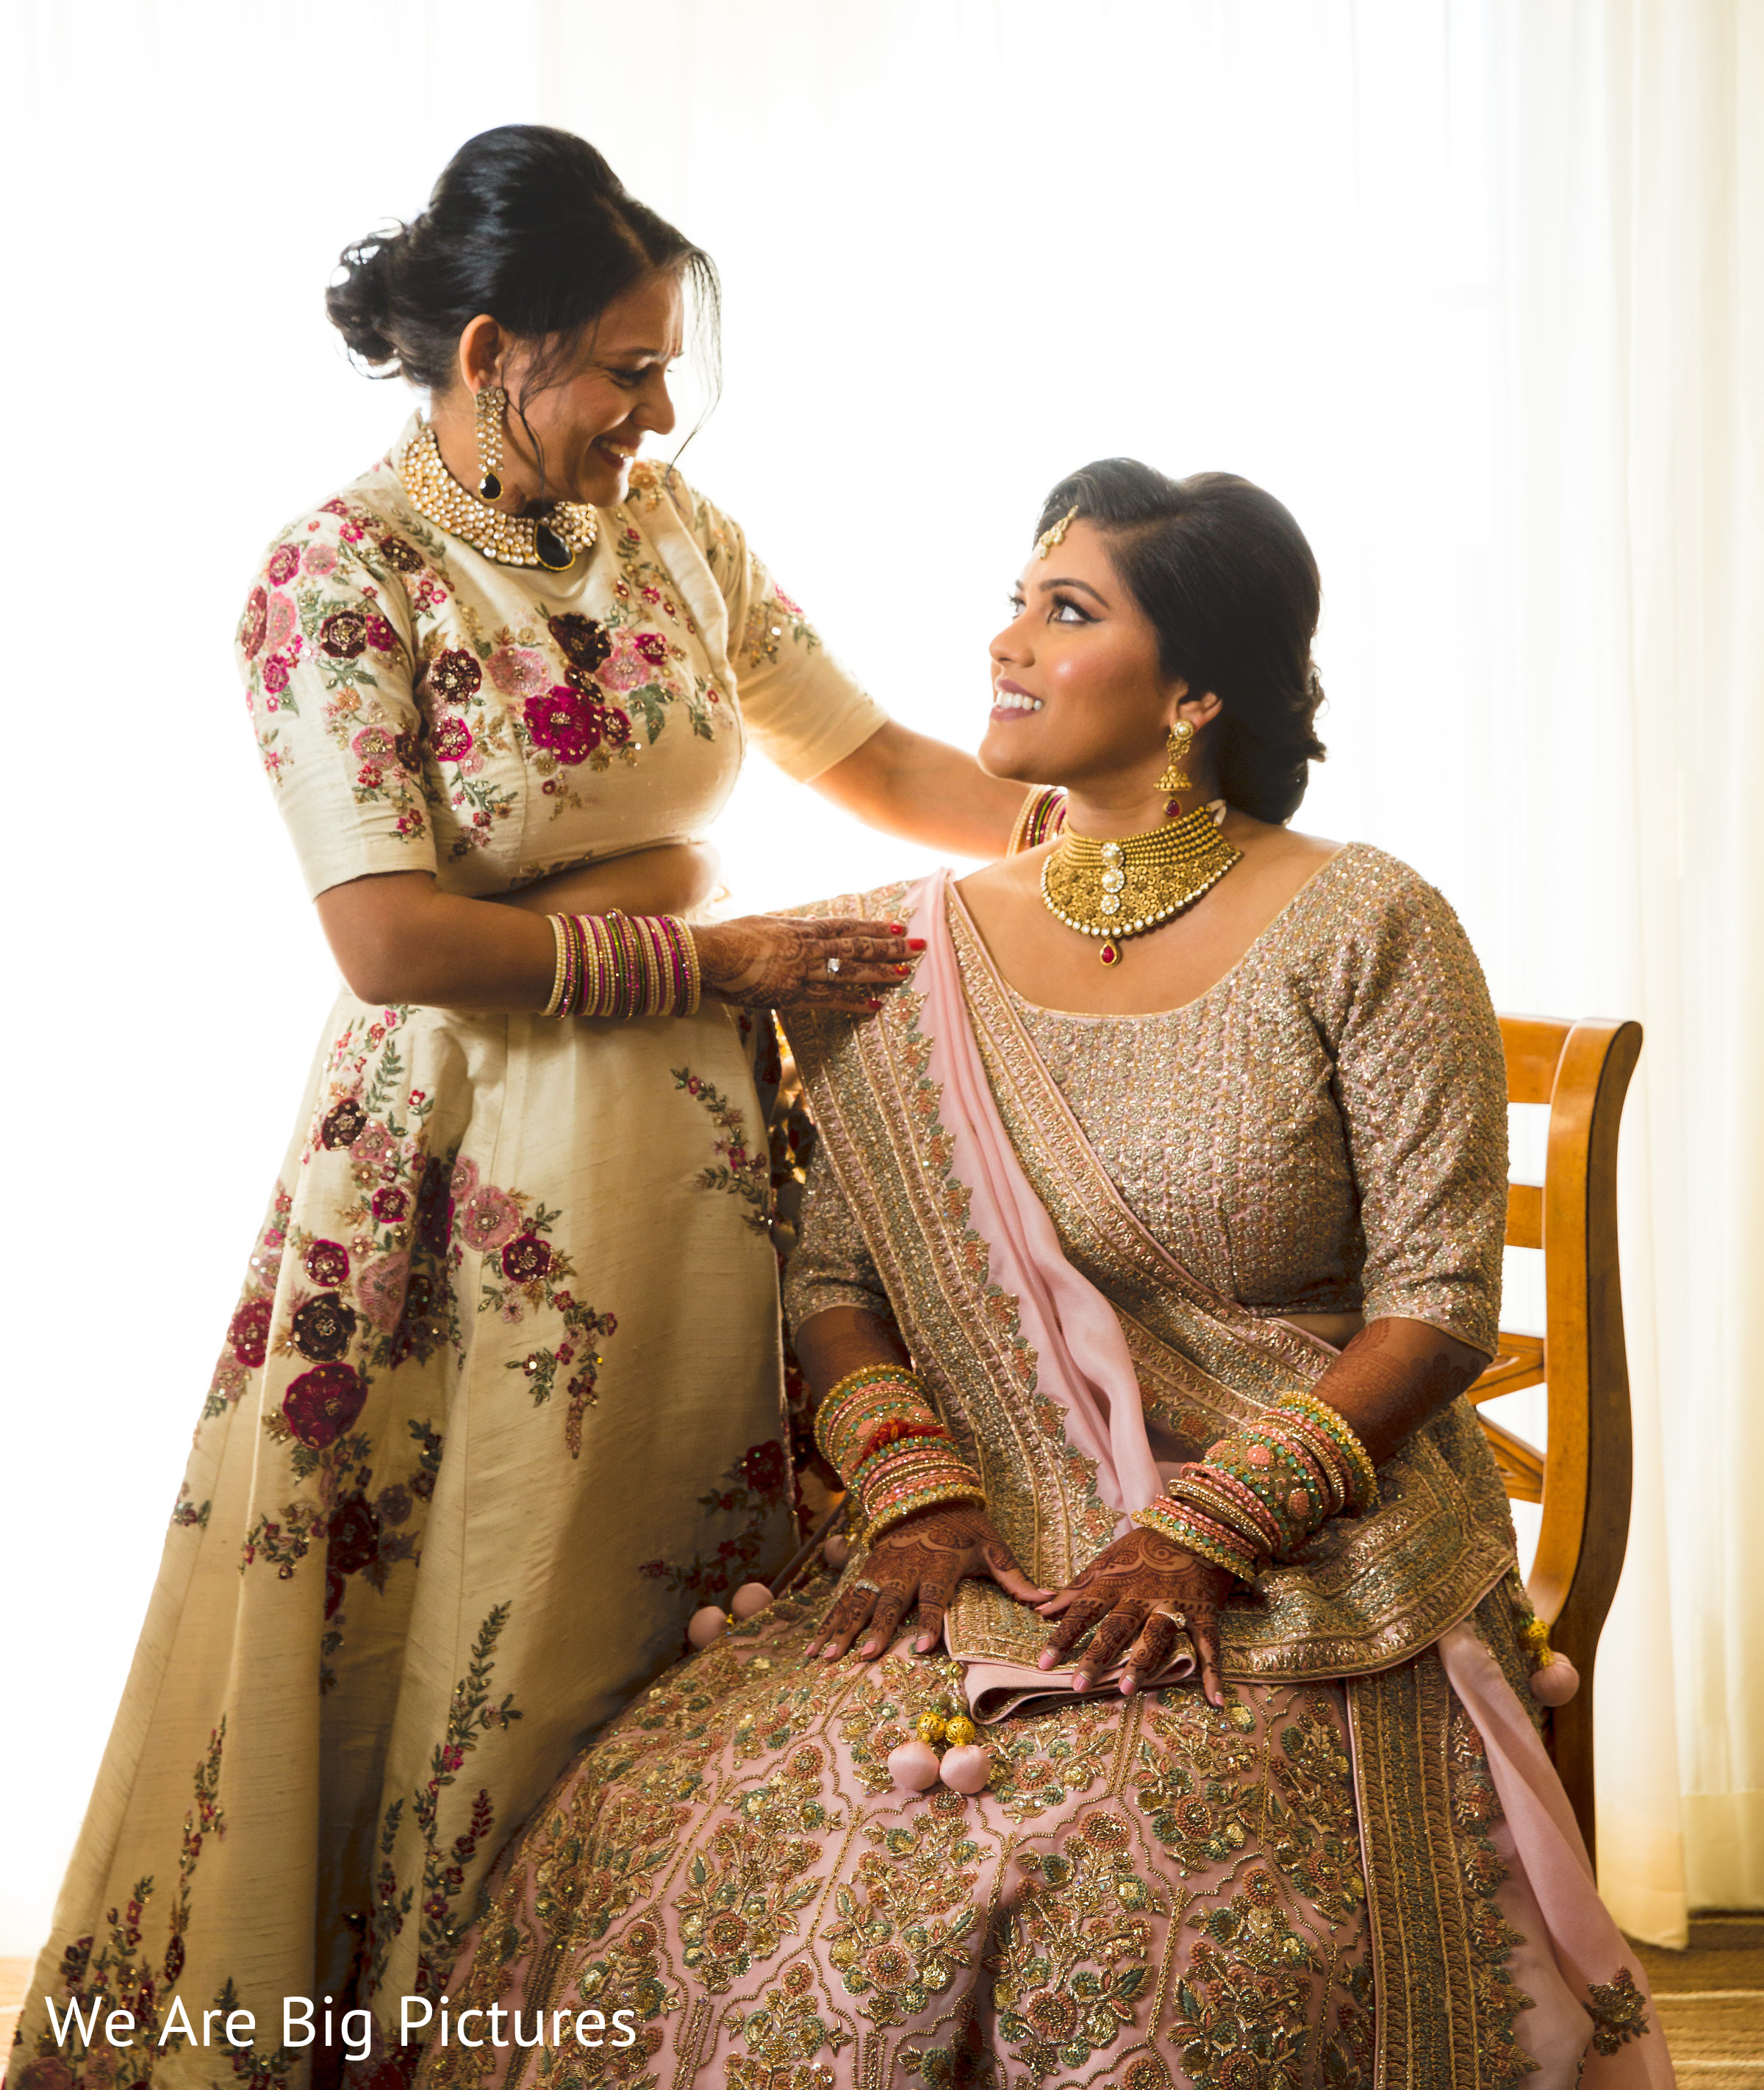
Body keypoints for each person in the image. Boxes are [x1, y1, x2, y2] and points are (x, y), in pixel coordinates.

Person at [418, 460, 1673, 2090]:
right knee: (705, 1802)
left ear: (1197, 690)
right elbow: (838, 1276)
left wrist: (1202, 1534)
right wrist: (919, 1494)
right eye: (1017, 597)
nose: (1005, 639)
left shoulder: (1366, 923)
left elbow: (1437, 1306)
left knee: (1120, 1850)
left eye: (1065, 610)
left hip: (1309, 1542)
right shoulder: (907, 946)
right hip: (999, 1519)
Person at [13, 127, 1030, 2080]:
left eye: (664, 372)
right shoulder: (340, 575)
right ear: (496, 350)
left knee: (661, 1616)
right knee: (477, 1621)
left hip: (691, 1165)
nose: (658, 414)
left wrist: (1118, 832)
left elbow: (880, 756)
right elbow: (392, 942)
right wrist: (700, 953)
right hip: (458, 1168)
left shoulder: (681, 538)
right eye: (627, 370)